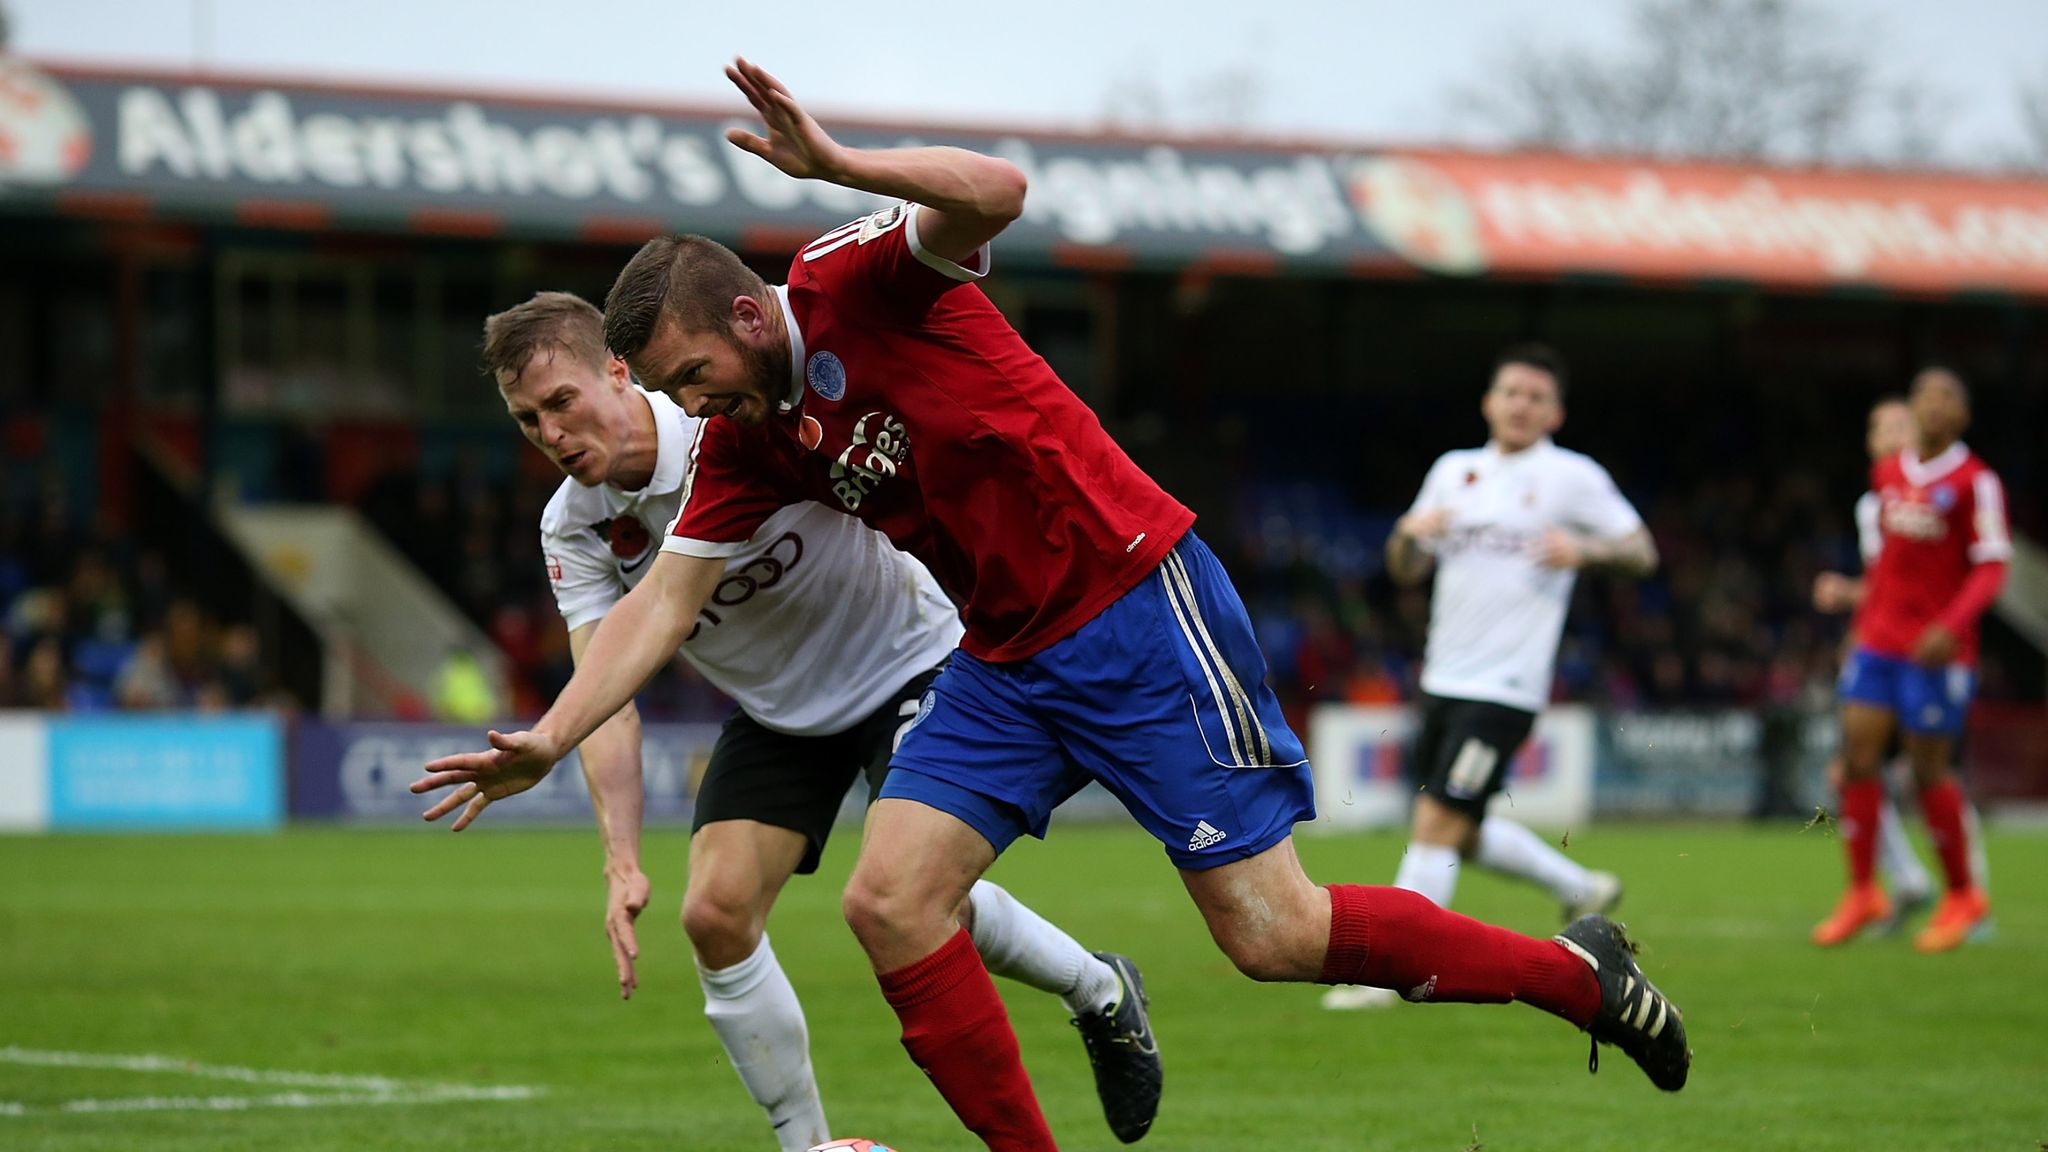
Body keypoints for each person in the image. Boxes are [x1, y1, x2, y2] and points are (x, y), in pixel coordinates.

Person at [417, 59, 1689, 1152]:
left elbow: (998, 192)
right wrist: (553, 736)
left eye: (693, 375)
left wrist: (841, 164)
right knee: (887, 901)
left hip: (1133, 604)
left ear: (749, 318)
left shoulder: (850, 279)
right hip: (1000, 657)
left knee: (1273, 936)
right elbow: (656, 609)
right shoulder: (746, 446)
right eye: (672, 391)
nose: (693, 406)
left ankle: (1575, 977)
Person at [412, 291, 1160, 1149]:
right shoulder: (573, 528)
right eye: (527, 419)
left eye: (561, 401)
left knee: (911, 896)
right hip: (780, 710)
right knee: (714, 914)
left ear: (619, 372)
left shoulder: (725, 416)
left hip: (909, 661)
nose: (550, 432)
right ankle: (808, 1148)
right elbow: (604, 695)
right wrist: (621, 861)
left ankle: (1099, 991)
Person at [1322, 345, 1653, 1012]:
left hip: (1506, 688)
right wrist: (1407, 534)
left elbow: (1641, 551)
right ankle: (1579, 886)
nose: (1521, 405)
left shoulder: (1572, 477)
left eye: (1535, 397)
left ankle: (1391, 971)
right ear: (1489, 402)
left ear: (1555, 413)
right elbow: (1407, 567)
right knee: (1461, 828)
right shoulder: (1454, 471)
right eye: (1511, 393)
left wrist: (1585, 549)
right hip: (1443, 678)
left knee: (1437, 820)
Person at [1811, 368, 2007, 953]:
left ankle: (1963, 894)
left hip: (1936, 652)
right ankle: (1863, 891)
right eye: (1924, 396)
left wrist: (1951, 625)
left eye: (1946, 398)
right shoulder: (1889, 474)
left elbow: (1992, 566)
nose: (1933, 406)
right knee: (1856, 760)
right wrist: (1860, 625)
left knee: (1927, 772)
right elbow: (1887, 569)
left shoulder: (1976, 481)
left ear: (1963, 416)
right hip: (1879, 644)